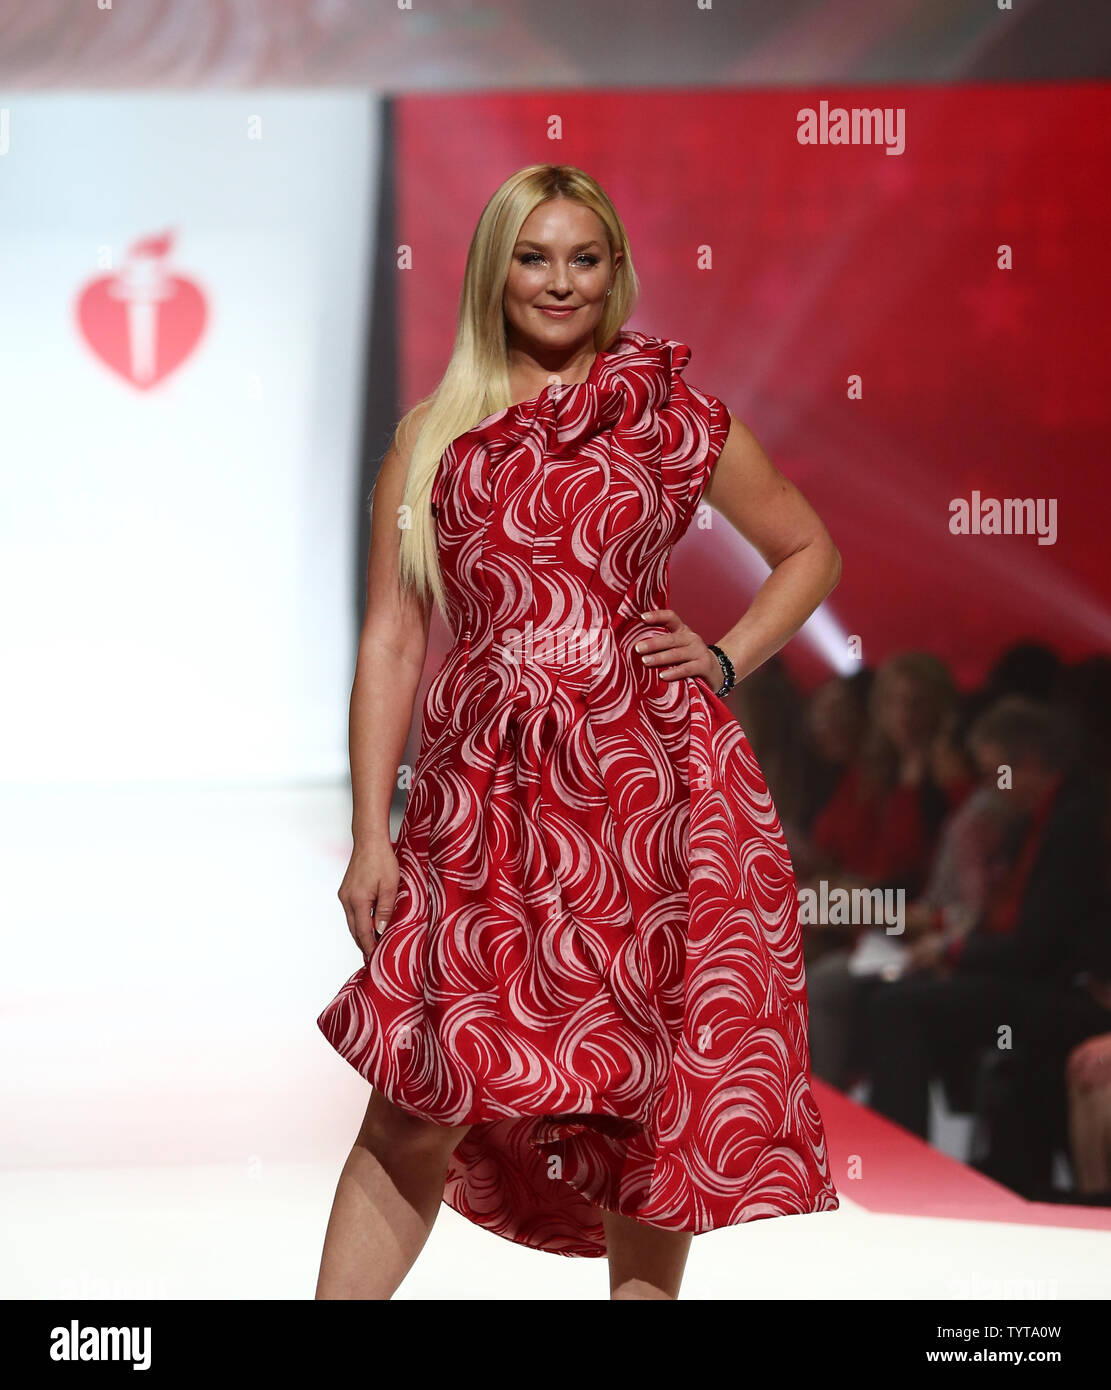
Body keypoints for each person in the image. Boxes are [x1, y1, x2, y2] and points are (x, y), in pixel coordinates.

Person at [312, 163, 843, 1300]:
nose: (560, 282)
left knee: (644, 1114)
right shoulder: (434, 436)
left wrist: (723, 656)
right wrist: (370, 834)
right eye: (534, 256)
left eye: (584, 258)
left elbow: (807, 549)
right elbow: (393, 643)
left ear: (615, 271)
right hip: (481, 810)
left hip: (648, 796)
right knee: (419, 1094)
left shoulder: (669, 415)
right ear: (493, 268)